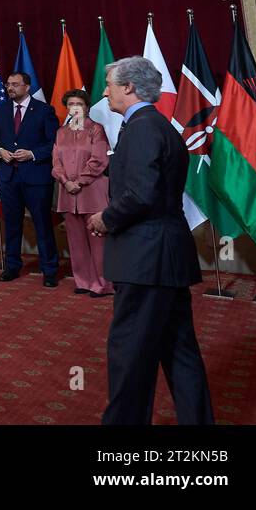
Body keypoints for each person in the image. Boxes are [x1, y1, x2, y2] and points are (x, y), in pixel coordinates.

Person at [89, 56, 213, 425]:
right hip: (166, 257)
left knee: (130, 352)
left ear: (128, 88)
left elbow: (141, 195)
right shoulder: (154, 124)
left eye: (110, 84)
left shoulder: (142, 128)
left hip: (145, 258)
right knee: (178, 351)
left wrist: (105, 218)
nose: (105, 91)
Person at [0, 70, 61, 287]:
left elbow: (54, 143)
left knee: (42, 224)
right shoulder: (1, 110)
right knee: (12, 224)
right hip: (9, 177)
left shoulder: (44, 111)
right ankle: (12, 266)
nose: (10, 88)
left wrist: (33, 154)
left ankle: (49, 270)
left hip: (36, 177)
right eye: (8, 84)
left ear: (27, 87)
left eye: (15, 85)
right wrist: (0, 151)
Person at [52, 89, 113, 297]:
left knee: (98, 242)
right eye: (70, 104)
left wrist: (78, 182)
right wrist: (66, 181)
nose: (75, 107)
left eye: (79, 103)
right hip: (67, 194)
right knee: (76, 242)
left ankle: (103, 284)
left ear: (86, 107)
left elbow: (99, 160)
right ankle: (84, 281)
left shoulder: (96, 130)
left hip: (92, 192)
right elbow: (56, 162)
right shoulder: (61, 132)